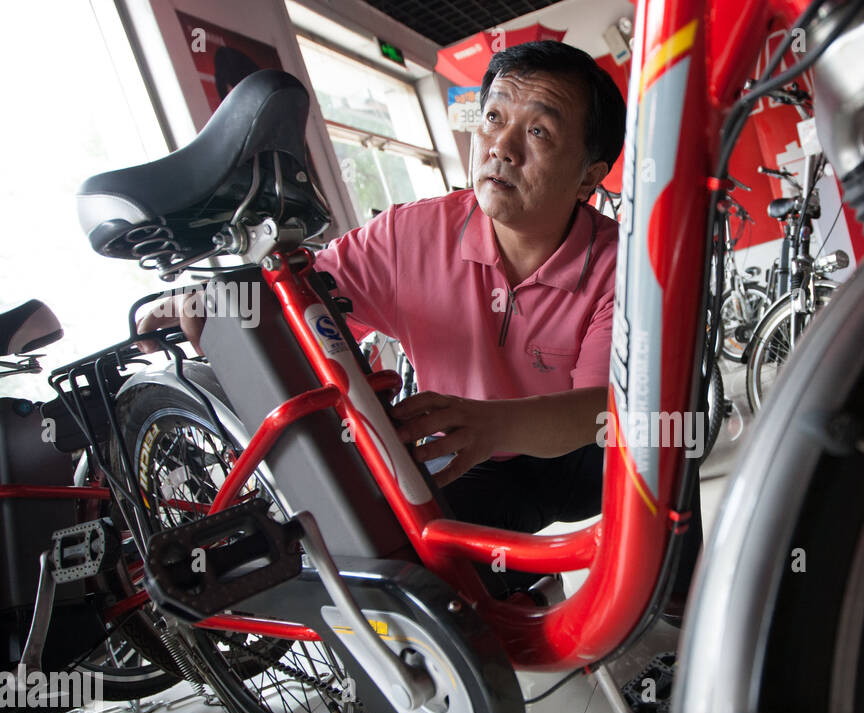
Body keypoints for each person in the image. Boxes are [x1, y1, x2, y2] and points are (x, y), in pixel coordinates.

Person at [140, 41, 701, 621]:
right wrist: (215, 300)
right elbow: (301, 299)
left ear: (589, 176)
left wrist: (494, 423)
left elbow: (603, 412)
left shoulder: (625, 267)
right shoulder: (412, 236)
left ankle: (681, 606)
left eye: (538, 133)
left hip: (575, 452)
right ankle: (509, 600)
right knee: (426, 577)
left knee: (675, 434)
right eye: (493, 118)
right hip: (470, 459)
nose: (501, 148)